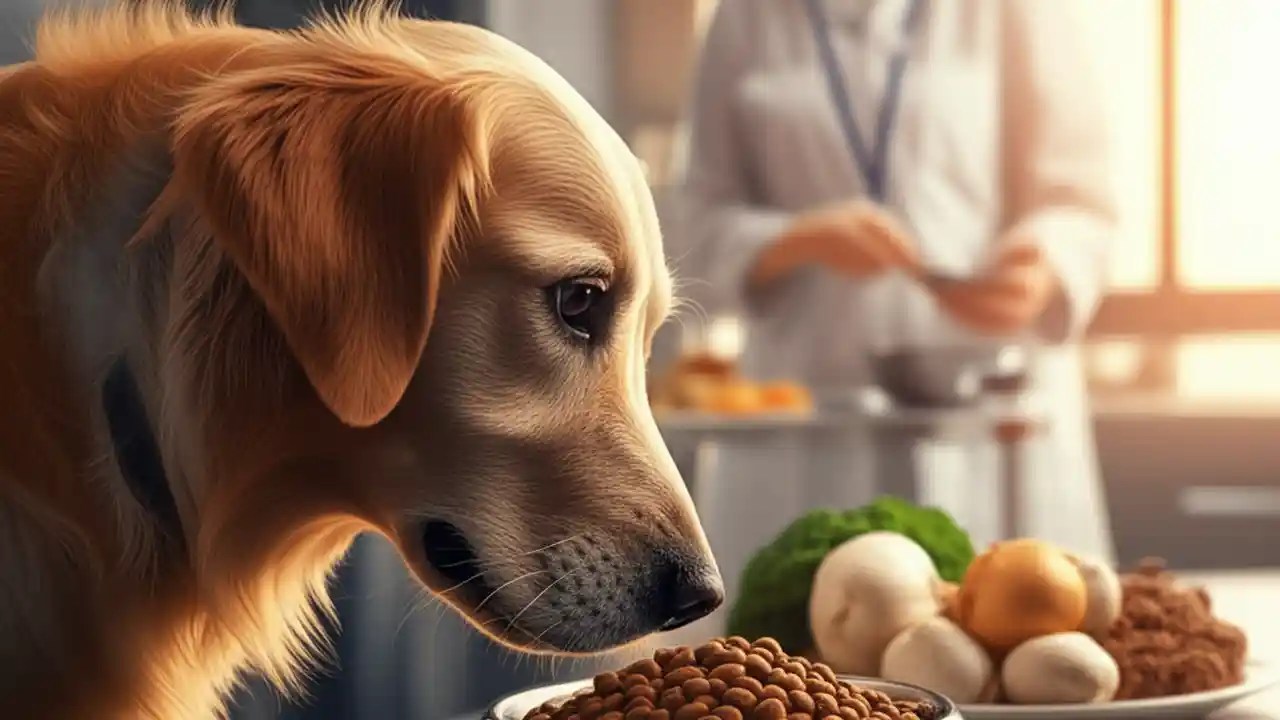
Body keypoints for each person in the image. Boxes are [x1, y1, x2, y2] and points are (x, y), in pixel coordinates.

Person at [673, 0, 1117, 630]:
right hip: (808, 414)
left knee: (1014, 638)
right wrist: (794, 240)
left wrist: (1041, 266)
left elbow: (1080, 199)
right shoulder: (745, 16)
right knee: (790, 657)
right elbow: (693, 226)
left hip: (987, 404)